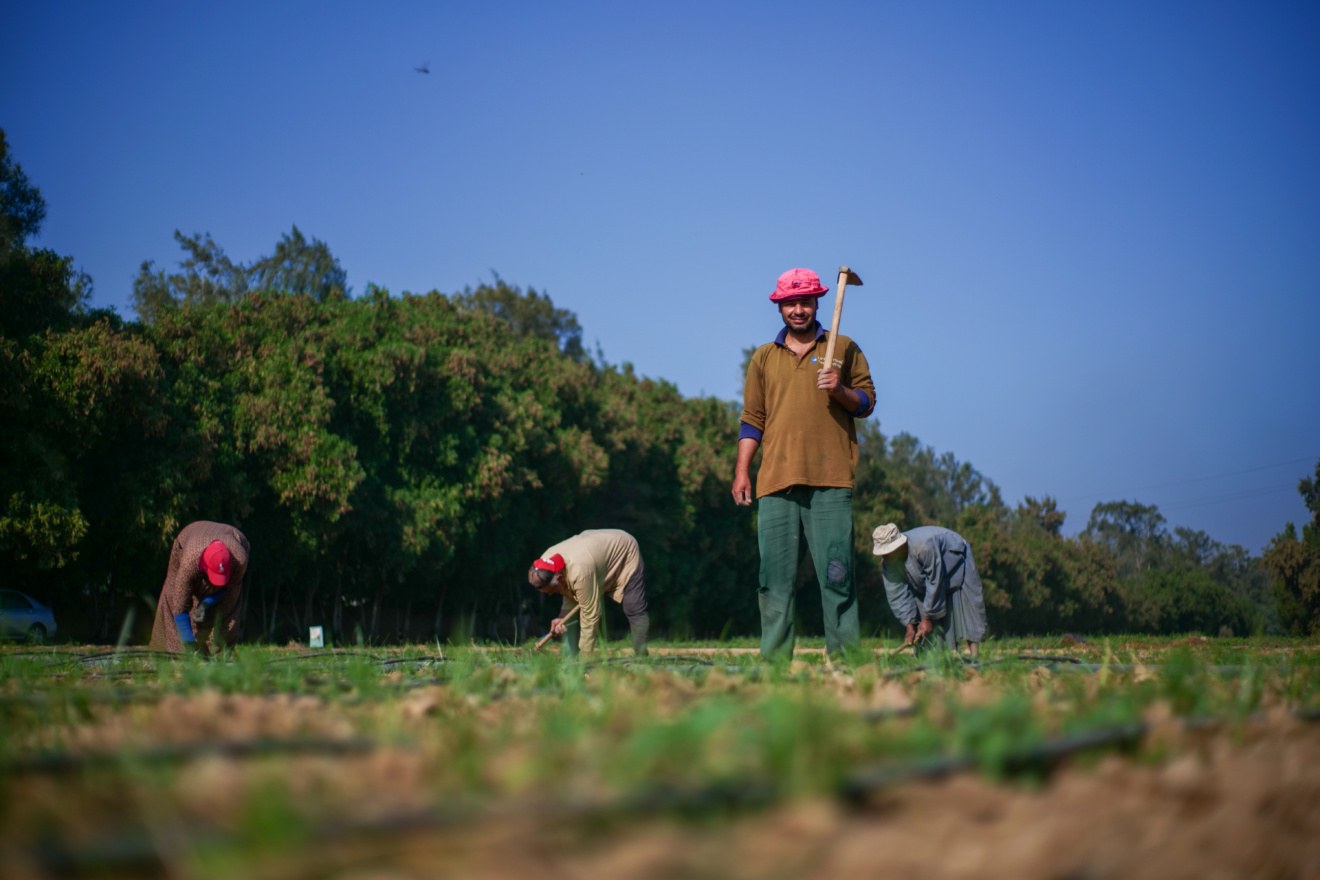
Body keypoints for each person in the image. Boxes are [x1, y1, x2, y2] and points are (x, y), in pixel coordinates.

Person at [733, 267, 876, 659]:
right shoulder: (763, 357)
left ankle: (846, 664)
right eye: (790, 303)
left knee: (837, 575)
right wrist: (742, 471)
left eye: (805, 301)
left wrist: (840, 389)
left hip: (831, 479)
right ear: (779, 307)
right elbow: (752, 419)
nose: (798, 309)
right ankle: (775, 665)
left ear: (818, 303)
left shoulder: (843, 348)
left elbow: (867, 402)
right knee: (773, 581)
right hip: (776, 480)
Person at [527, 528, 649, 657]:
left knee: (633, 607)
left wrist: (585, 656)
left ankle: (642, 657)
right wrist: (562, 618)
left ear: (560, 578)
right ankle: (570, 658)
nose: (551, 594)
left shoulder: (580, 572)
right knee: (572, 609)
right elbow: (569, 589)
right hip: (593, 552)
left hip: (624, 549)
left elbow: (591, 614)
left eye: (552, 590)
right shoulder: (544, 564)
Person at [871, 523, 988, 656]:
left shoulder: (923, 546)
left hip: (957, 558)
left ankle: (975, 657)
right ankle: (938, 659)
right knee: (925, 622)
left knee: (968, 607)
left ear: (899, 546)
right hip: (924, 582)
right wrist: (910, 626)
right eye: (882, 553)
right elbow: (897, 594)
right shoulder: (888, 563)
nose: (884, 556)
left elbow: (935, 581)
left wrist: (928, 618)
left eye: (887, 552)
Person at [149, 521, 249, 655]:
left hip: (233, 540)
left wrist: (207, 603)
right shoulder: (189, 562)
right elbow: (179, 608)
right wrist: (189, 644)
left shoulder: (239, 560)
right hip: (187, 541)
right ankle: (174, 653)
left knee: (228, 603)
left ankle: (219, 655)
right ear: (205, 567)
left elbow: (228, 587)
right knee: (174, 595)